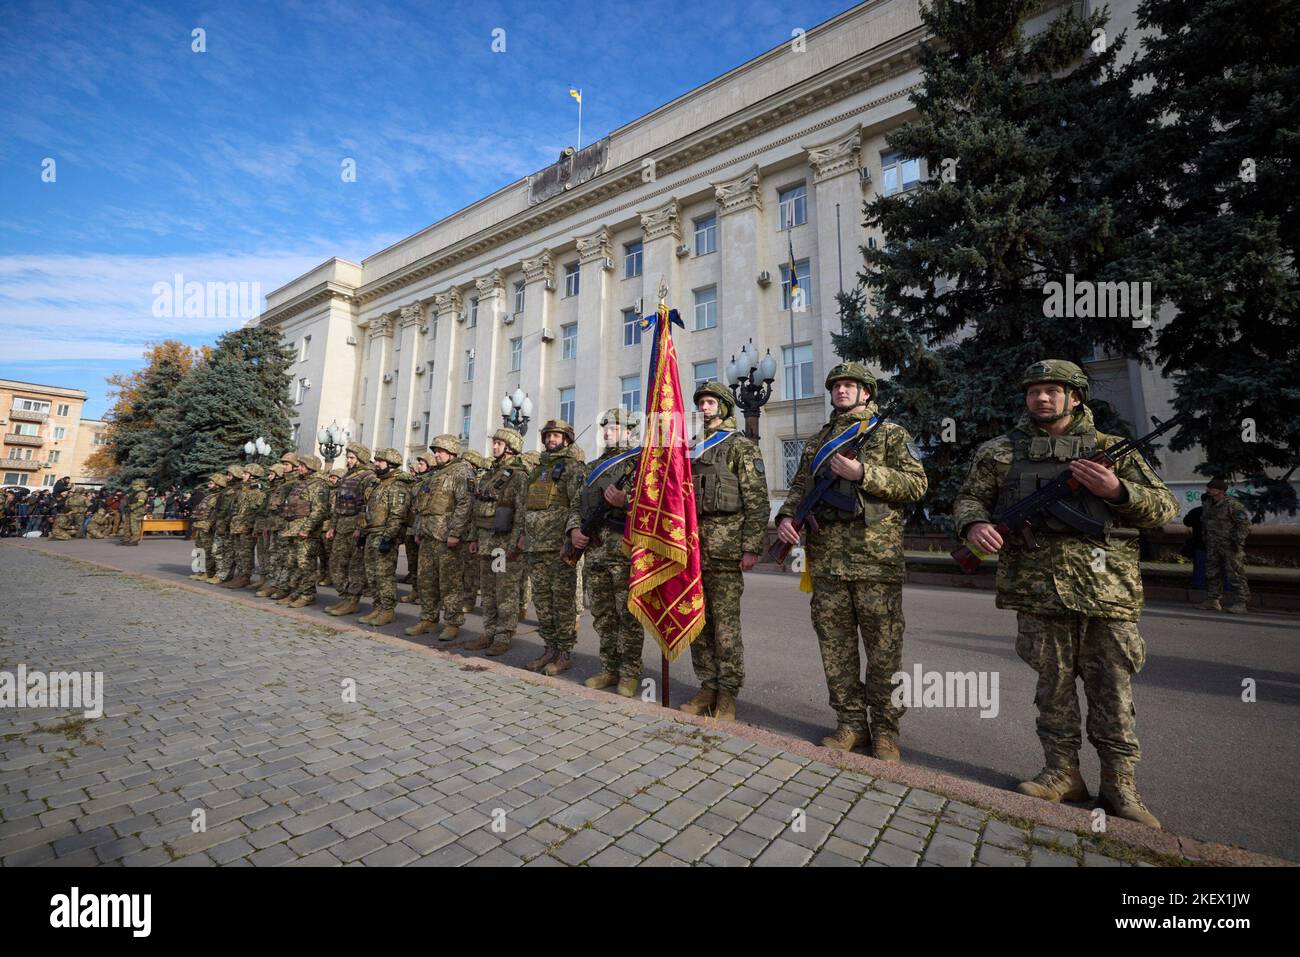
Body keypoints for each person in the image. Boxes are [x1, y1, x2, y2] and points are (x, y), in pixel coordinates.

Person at [952, 359, 1177, 829]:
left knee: (1112, 689)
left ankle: (1121, 784)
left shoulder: (1111, 450)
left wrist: (1119, 491)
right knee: (1052, 688)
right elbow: (969, 498)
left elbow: (1163, 507)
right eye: (1034, 390)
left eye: (1054, 390)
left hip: (1105, 590)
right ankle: (1061, 773)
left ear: (1075, 397)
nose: (1042, 397)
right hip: (1038, 590)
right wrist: (974, 524)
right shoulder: (1000, 452)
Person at [776, 362, 928, 759]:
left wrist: (865, 473)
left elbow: (916, 484)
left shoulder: (890, 434)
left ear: (867, 392)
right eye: (837, 385)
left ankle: (885, 731)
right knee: (835, 648)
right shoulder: (818, 441)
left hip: (875, 561)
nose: (842, 390)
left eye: (851, 385)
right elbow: (798, 489)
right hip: (827, 561)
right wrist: (786, 519)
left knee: (884, 650)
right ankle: (849, 725)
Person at [677, 383, 770, 721]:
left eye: (711, 402)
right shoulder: (690, 449)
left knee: (726, 625)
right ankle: (707, 685)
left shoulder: (741, 446)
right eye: (701, 402)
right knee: (698, 620)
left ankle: (728, 694)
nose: (704, 407)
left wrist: (750, 546)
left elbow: (757, 500)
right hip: (692, 550)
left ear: (726, 407)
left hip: (726, 550)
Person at [568, 409, 644, 696]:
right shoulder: (592, 467)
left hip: (624, 553)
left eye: (613, 427)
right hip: (596, 554)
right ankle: (609, 668)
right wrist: (574, 531)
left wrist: (627, 501)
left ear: (629, 431)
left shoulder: (640, 463)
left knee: (628, 615)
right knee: (602, 615)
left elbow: (657, 505)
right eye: (605, 427)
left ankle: (630, 672)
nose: (607, 431)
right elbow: (576, 504)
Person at [520, 420, 587, 671]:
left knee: (563, 602)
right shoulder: (537, 469)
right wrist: (523, 534)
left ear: (566, 439)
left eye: (556, 436)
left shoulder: (572, 467)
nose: (551, 439)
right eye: (548, 435)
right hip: (535, 546)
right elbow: (527, 505)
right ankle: (549, 648)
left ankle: (564, 654)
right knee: (542, 602)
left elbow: (577, 505)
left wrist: (569, 540)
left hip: (558, 546)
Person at [404, 436, 474, 641]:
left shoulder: (462, 472)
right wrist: (418, 530)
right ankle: (428, 618)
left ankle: (452, 622)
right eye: (435, 451)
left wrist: (455, 533)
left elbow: (465, 504)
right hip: (428, 536)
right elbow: (422, 506)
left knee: (449, 583)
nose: (436, 454)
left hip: (446, 538)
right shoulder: (434, 476)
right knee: (426, 580)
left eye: (440, 451)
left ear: (451, 452)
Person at [466, 429, 527, 654]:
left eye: (499, 443)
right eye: (494, 443)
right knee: (489, 592)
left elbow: (521, 512)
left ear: (510, 447)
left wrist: (514, 544)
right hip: (485, 542)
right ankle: (489, 631)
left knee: (504, 592)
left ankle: (503, 635)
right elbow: (477, 507)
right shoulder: (489, 475)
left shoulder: (518, 475)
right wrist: (473, 537)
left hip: (502, 546)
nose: (494, 447)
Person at [352, 448, 410, 626]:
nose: (376, 464)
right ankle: (377, 607)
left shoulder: (397, 485)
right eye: (376, 460)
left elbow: (397, 514)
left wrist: (389, 537)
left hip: (384, 534)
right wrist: (362, 532)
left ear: (391, 464)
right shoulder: (378, 484)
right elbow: (367, 510)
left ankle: (387, 610)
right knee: (372, 575)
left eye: (380, 461)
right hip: (371, 533)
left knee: (384, 575)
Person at [324, 444, 379, 616]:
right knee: (336, 564)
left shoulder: (368, 477)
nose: (348, 460)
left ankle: (353, 601)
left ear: (361, 458)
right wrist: (332, 526)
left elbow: (367, 505)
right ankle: (345, 597)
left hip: (355, 527)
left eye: (352, 457)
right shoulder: (347, 476)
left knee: (355, 567)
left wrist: (360, 528)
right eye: (347, 457)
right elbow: (338, 505)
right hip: (341, 525)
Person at [278, 456, 330, 608]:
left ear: (311, 467)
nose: (298, 468)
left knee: (305, 564)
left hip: (307, 533)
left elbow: (319, 510)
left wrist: (306, 529)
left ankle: (307, 594)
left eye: (302, 465)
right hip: (293, 530)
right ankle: (295, 592)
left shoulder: (319, 485)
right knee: (293, 563)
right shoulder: (301, 483)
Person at [1198, 479, 1251, 614]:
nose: (1208, 490)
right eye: (1208, 487)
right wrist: (1205, 538)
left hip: (1229, 545)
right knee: (1212, 572)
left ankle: (1241, 602)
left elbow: (1244, 525)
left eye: (1211, 488)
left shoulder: (1233, 505)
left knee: (1235, 573)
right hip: (1213, 544)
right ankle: (1213, 600)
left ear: (1220, 491)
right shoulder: (1208, 504)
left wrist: (1238, 542)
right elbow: (1205, 523)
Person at [222, 463, 266, 589]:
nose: (243, 475)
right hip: (237, 526)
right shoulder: (242, 491)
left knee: (245, 553)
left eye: (246, 473)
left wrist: (250, 526)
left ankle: (245, 577)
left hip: (246, 527)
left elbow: (256, 512)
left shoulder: (257, 492)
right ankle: (239, 576)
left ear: (253, 476)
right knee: (238, 552)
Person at [189, 474, 226, 579]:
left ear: (218, 485)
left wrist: (209, 525)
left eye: (211, 483)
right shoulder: (209, 496)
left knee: (207, 550)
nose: (209, 485)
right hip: (199, 525)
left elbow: (215, 513)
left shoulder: (219, 496)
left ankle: (208, 572)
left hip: (206, 526)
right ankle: (201, 570)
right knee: (199, 549)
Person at [118, 479, 151, 545]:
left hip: (137, 511)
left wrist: (131, 507)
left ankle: (134, 540)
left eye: (135, 485)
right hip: (131, 510)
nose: (133, 486)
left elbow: (140, 503)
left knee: (134, 525)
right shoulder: (134, 493)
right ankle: (126, 539)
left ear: (140, 485)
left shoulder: (142, 493)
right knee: (127, 525)